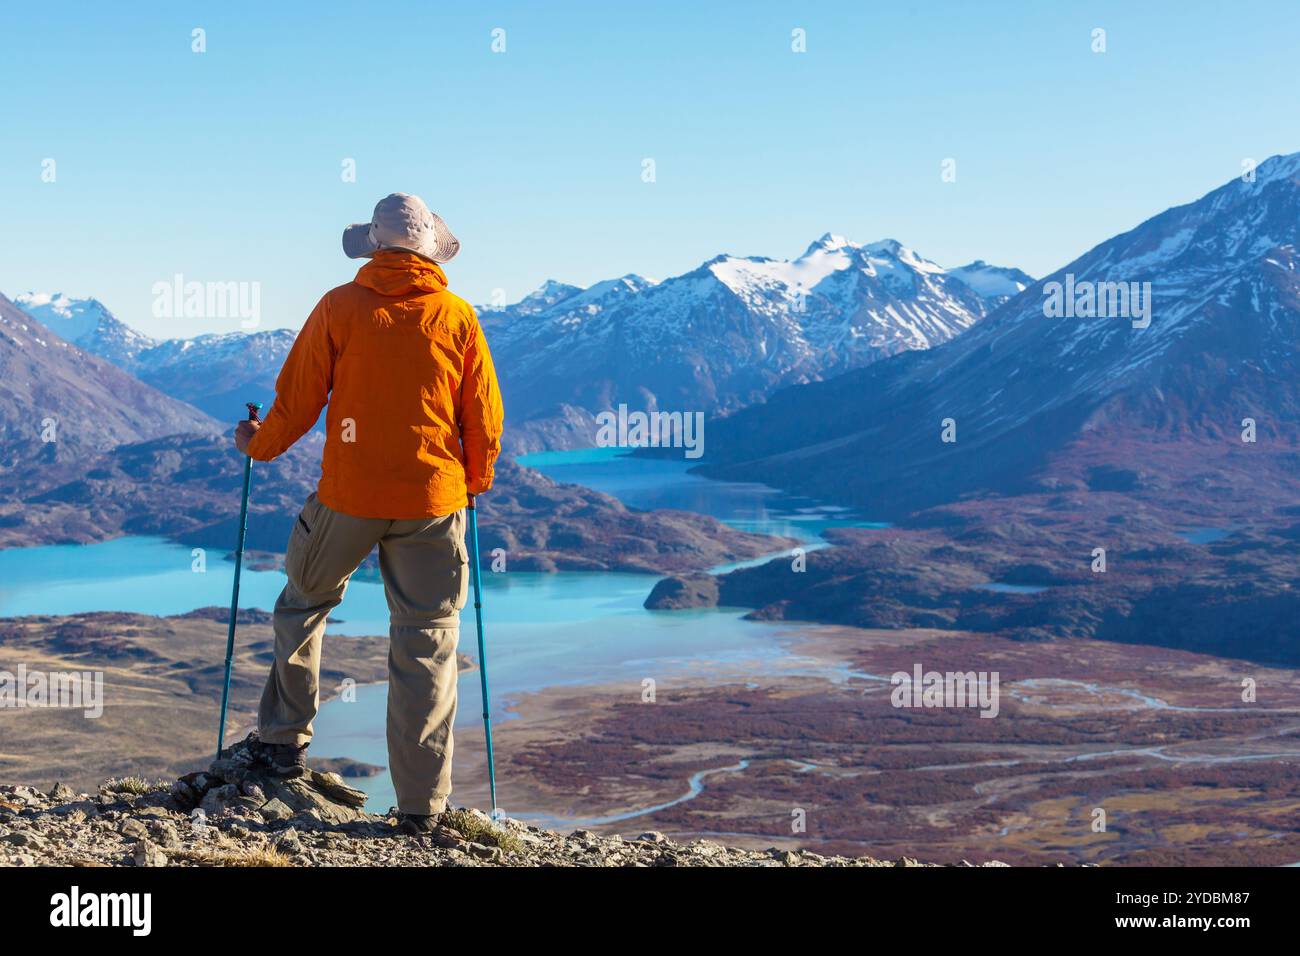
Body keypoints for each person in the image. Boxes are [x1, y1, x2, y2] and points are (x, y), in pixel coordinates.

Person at [233, 193, 504, 834]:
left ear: (375, 246)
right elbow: (484, 417)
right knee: (428, 640)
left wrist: (258, 445)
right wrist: (473, 482)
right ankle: (420, 808)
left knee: (303, 603)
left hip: (348, 497)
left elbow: (297, 400)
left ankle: (281, 741)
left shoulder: (340, 307)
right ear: (430, 250)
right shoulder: (458, 316)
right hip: (433, 502)